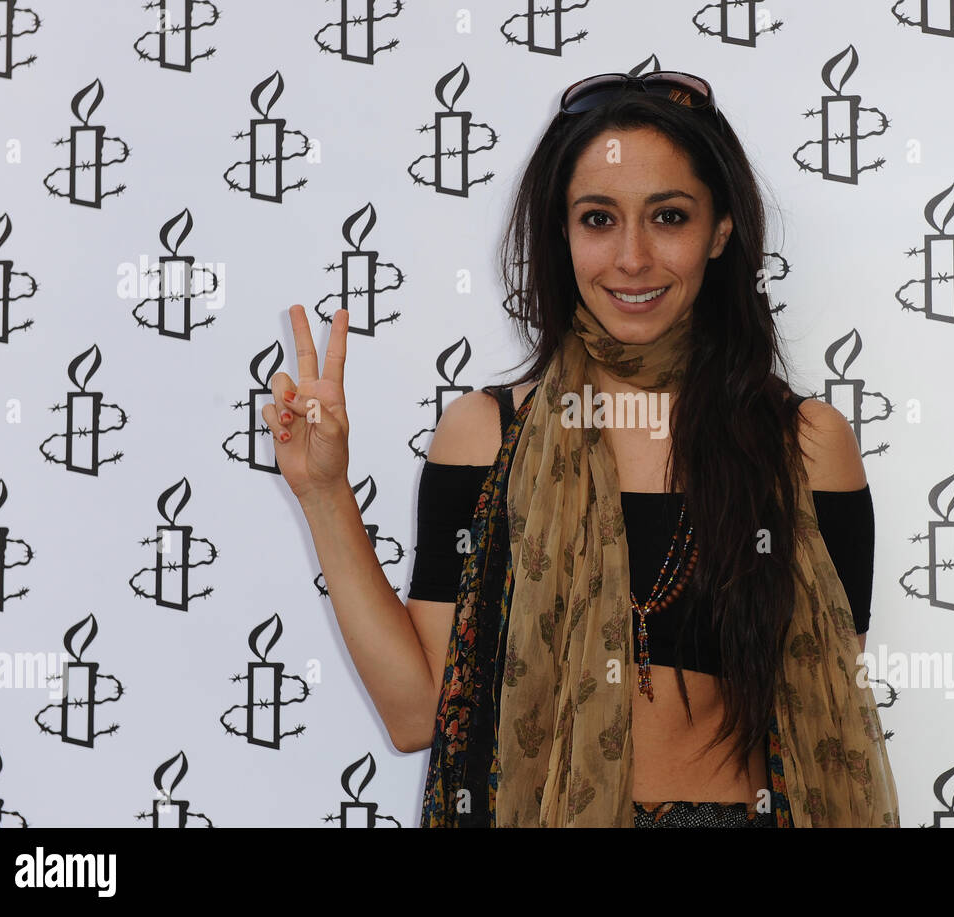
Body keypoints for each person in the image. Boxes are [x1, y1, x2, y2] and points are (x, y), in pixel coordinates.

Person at [265, 70, 899, 828]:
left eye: (668, 216)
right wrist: (325, 493)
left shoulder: (805, 447)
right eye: (599, 219)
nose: (632, 258)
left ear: (721, 231)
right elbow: (414, 715)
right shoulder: (484, 436)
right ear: (562, 235)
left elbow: (824, 717)